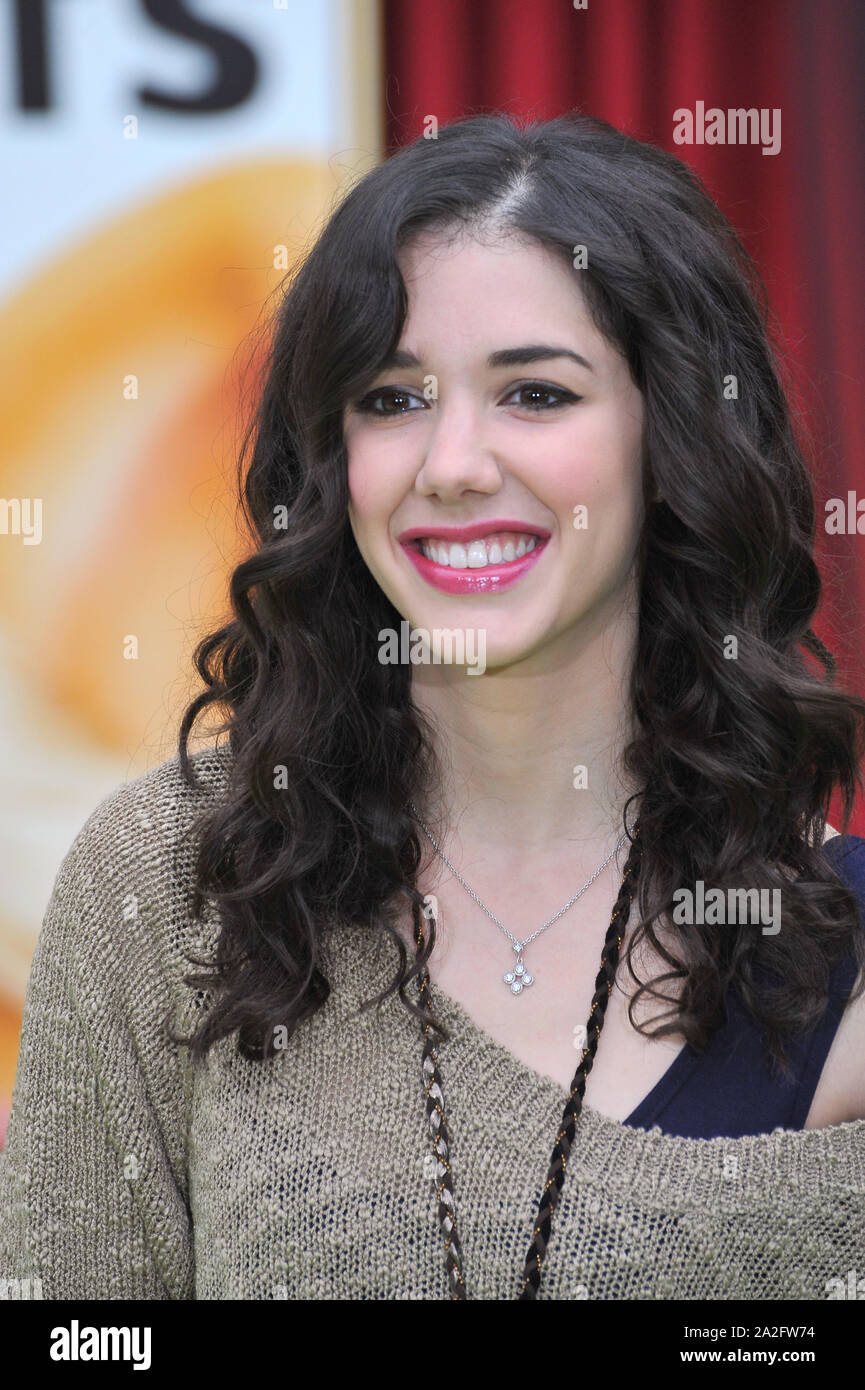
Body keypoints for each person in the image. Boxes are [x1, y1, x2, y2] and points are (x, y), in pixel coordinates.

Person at [2, 111, 865, 1302]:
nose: (451, 463)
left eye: (535, 394)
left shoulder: (839, 952)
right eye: (393, 399)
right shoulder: (171, 885)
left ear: (670, 440)